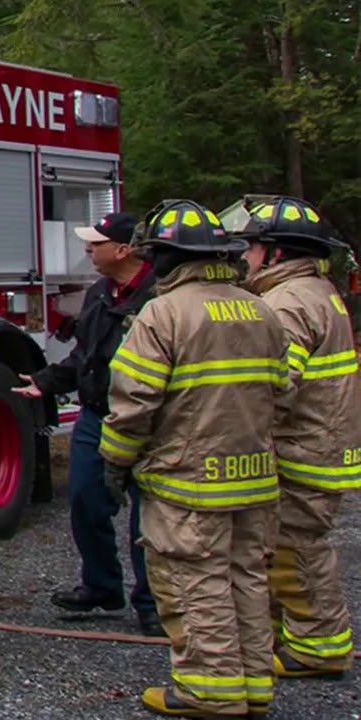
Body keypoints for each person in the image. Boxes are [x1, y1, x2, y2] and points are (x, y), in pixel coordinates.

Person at [99, 199, 289, 718]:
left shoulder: (164, 314)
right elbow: (283, 388)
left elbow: (133, 403)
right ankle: (252, 685)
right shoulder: (260, 309)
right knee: (245, 577)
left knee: (194, 581)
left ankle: (210, 691)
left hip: (189, 481)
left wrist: (114, 463)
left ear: (167, 257)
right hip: (253, 477)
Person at [13, 211, 162, 637]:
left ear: (123, 249)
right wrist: (46, 382)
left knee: (148, 515)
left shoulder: (159, 298)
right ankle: (101, 587)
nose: (87, 249)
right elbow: (86, 356)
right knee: (84, 500)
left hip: (145, 420)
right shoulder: (100, 293)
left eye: (96, 243)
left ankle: (151, 602)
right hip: (97, 416)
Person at [233, 196, 360, 680]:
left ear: (276, 253)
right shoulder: (318, 290)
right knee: (297, 544)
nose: (246, 256)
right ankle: (300, 636)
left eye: (252, 247)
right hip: (320, 443)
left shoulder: (286, 303)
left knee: (296, 549)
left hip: (301, 450)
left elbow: (274, 385)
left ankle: (318, 648)